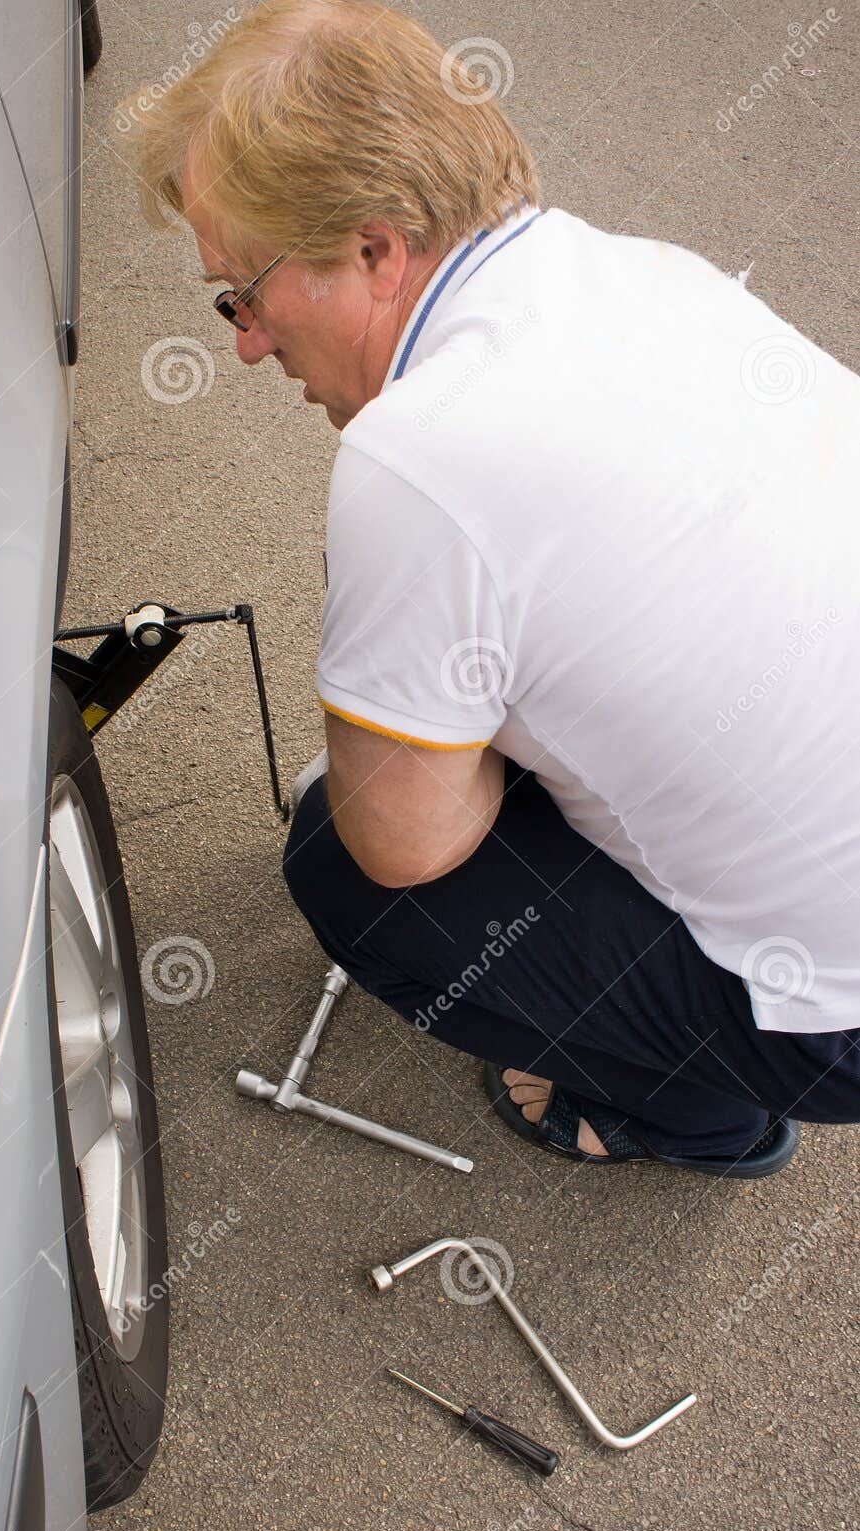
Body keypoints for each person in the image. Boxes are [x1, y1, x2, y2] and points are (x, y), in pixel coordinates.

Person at [126, 0, 860, 1176]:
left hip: (839, 1015)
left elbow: (401, 844)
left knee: (340, 857)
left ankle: (703, 1116)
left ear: (373, 248)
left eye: (245, 293)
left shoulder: (416, 457)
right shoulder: (638, 272)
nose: (247, 343)